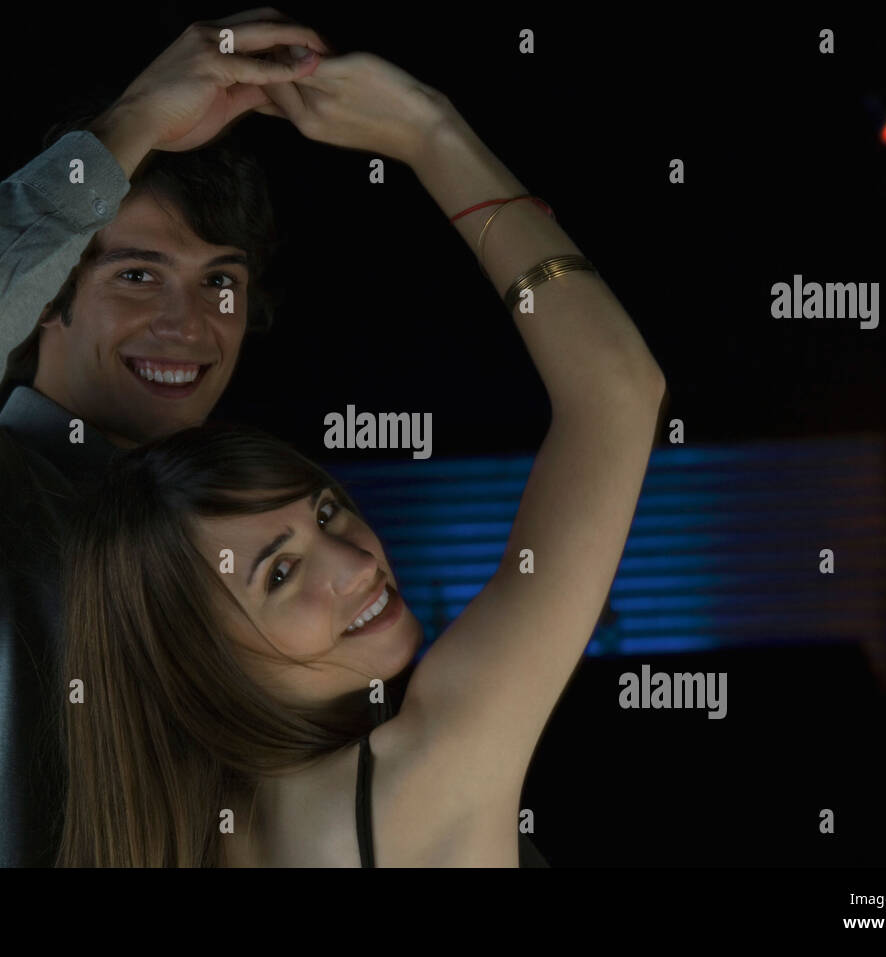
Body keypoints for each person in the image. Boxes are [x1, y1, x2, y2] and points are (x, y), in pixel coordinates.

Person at [56, 50, 667, 866]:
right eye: (277, 573)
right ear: (196, 665)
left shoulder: (168, 840)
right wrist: (429, 130)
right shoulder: (413, 780)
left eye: (325, 510)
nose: (353, 562)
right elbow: (618, 395)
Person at [0, 9, 334, 866]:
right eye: (138, 274)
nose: (189, 324)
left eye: (221, 281)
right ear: (45, 295)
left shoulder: (249, 520)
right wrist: (128, 128)